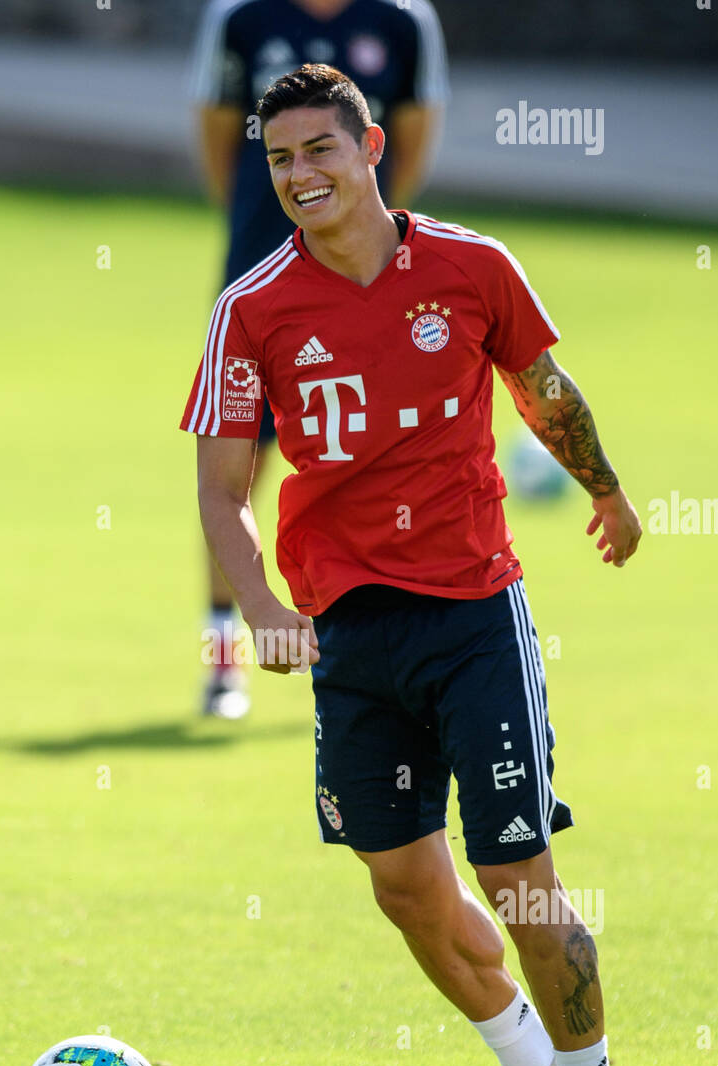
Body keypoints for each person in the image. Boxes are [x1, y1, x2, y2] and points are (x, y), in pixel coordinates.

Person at [181, 64, 643, 1066]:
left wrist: (604, 490)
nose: (298, 176)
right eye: (279, 159)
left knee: (517, 872)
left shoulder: (471, 267)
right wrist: (259, 607)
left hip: (474, 613)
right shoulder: (253, 309)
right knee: (402, 889)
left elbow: (542, 388)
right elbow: (220, 488)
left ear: (369, 148)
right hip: (348, 639)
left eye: (317, 152)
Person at [190, 0, 448, 716]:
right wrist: (263, 227)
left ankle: (388, 652)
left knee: (374, 458)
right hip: (261, 271)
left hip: (369, 284)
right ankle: (223, 659)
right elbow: (218, 140)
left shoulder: (404, 21)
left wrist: (361, 226)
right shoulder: (239, 17)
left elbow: (413, 141)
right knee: (235, 469)